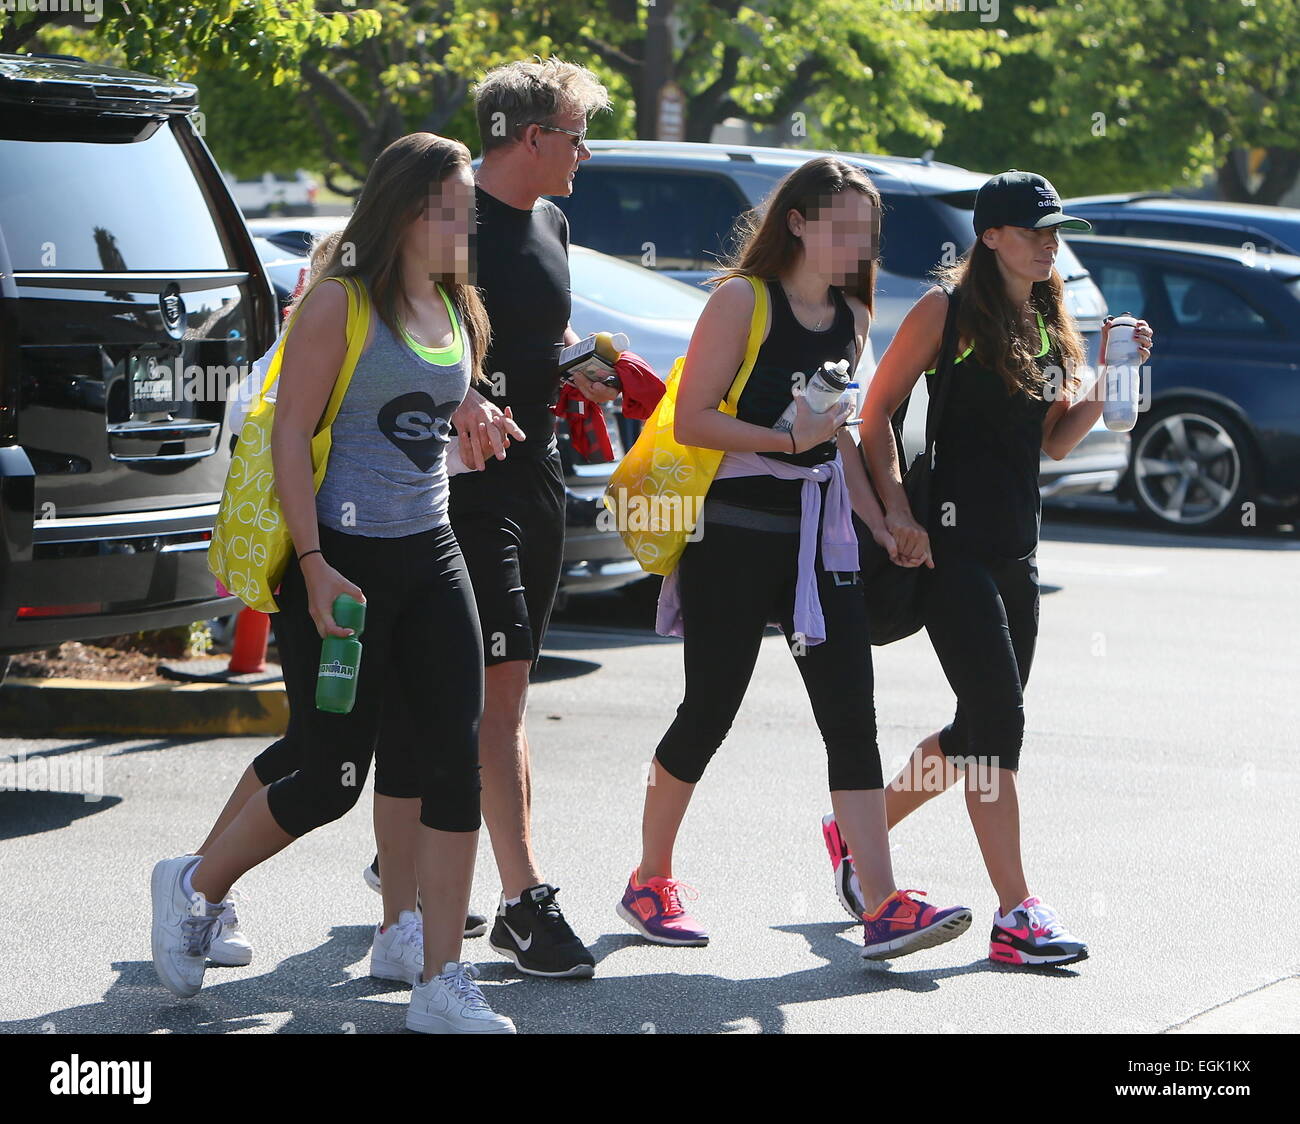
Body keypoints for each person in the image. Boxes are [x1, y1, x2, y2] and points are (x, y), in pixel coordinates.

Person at [150, 132, 516, 1033]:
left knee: (453, 759)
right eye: (449, 206)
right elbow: (289, 437)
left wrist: (469, 405)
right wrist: (312, 567)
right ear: (402, 211)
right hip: (343, 564)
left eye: (467, 205)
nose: (465, 219)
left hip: (432, 552)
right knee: (330, 777)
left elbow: (428, 398)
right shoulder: (338, 307)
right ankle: (193, 886)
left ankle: (440, 979)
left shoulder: (457, 306)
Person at [617, 157, 973, 962]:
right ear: (800, 222)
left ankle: (882, 903)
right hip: (732, 534)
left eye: (868, 228)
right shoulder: (742, 301)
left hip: (821, 541)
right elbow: (696, 421)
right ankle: (649, 878)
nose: (858, 241)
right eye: (843, 223)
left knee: (852, 718)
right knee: (707, 714)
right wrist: (785, 440)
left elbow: (840, 434)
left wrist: (885, 521)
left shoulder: (851, 313)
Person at [835, 169, 1154, 966]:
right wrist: (899, 513)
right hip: (949, 550)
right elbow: (873, 416)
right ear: (991, 237)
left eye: (1055, 230)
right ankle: (1017, 913)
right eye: (1036, 229)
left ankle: (856, 828)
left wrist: (1119, 376)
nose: (1051, 242)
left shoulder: (1047, 320)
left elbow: (1054, 440)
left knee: (982, 724)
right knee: (1001, 723)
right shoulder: (945, 313)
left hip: (1017, 550)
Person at [361, 58, 617, 980]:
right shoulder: (448, 221)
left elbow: (532, 331)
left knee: (494, 695)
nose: (585, 151)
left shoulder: (551, 219)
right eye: (576, 133)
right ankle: (522, 900)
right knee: (497, 694)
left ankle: (423, 857)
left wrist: (580, 363)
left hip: (537, 475)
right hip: (459, 485)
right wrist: (463, 393)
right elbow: (387, 324)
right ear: (532, 136)